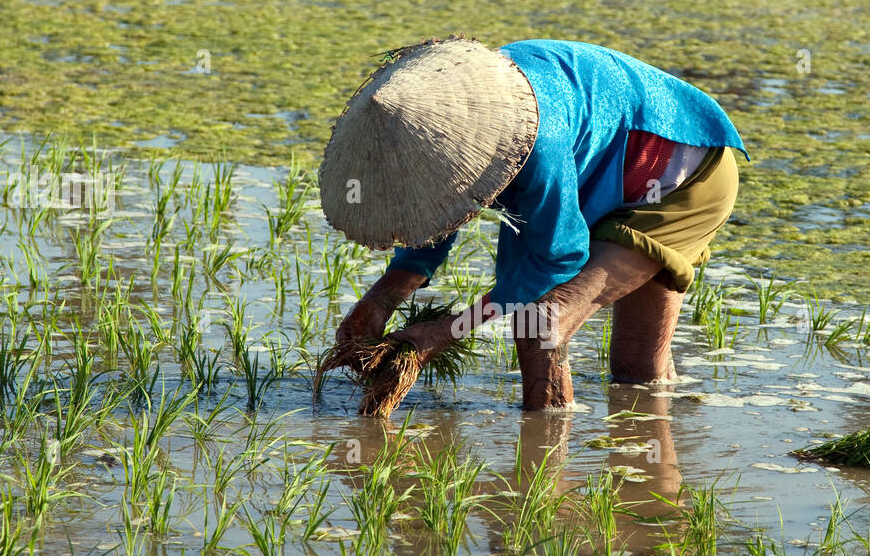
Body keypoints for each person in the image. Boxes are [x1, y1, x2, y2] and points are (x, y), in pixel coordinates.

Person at [319, 36, 746, 410]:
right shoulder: (460, 119)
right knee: (639, 376)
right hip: (605, 172)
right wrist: (380, 301)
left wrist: (445, 331)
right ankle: (643, 460)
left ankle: (543, 463)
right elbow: (436, 211)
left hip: (683, 176)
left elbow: (555, 259)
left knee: (540, 320)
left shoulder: (534, 139)